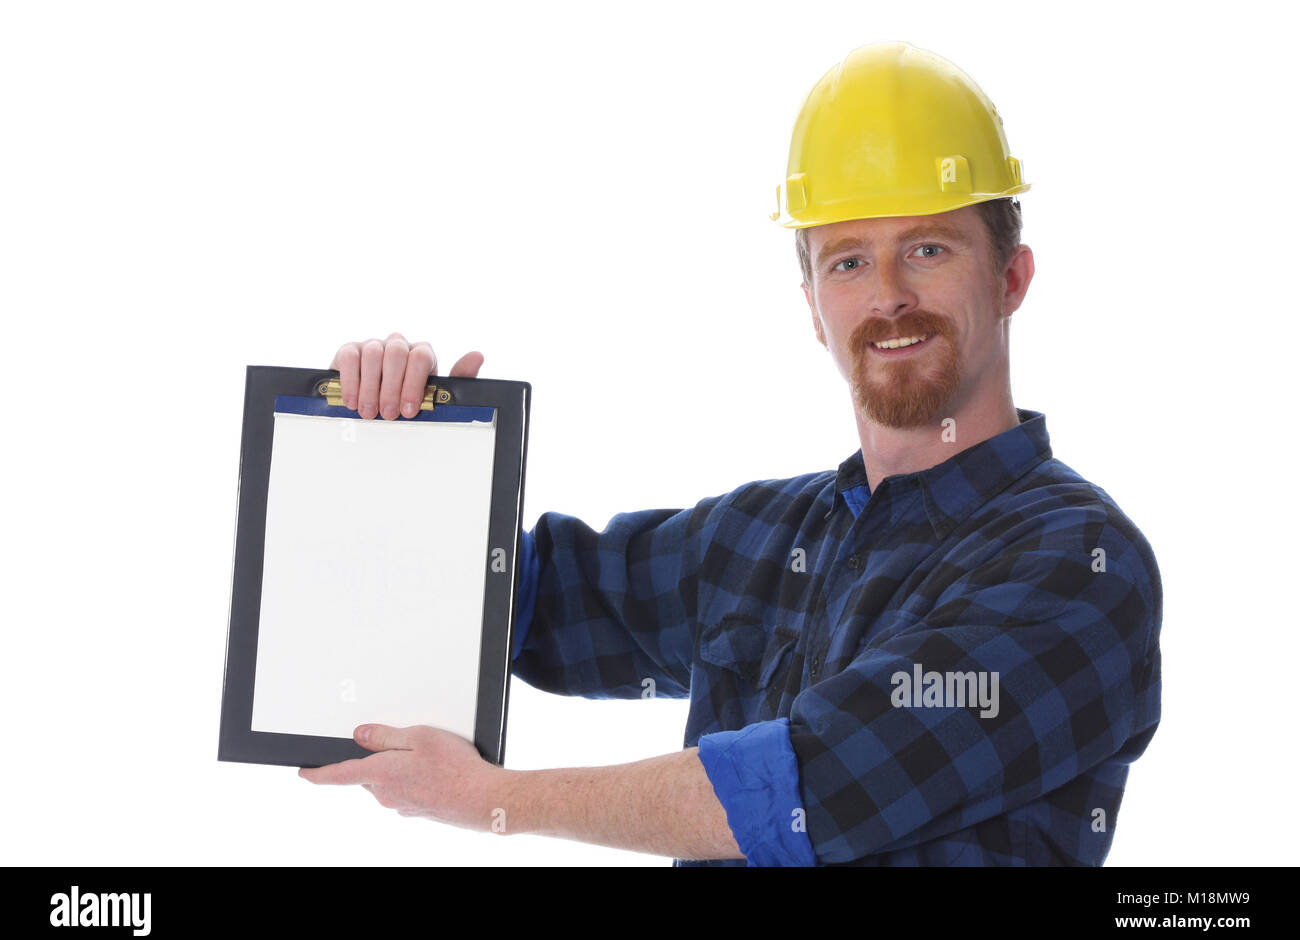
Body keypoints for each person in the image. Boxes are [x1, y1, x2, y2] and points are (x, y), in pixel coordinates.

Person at [300, 41, 1162, 866]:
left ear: (1011, 277)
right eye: (850, 261)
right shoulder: (760, 538)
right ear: (813, 307)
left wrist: (494, 800)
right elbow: (519, 603)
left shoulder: (1080, 564)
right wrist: (400, 448)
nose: (889, 298)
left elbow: (811, 788)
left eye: (928, 249)